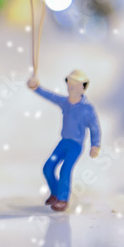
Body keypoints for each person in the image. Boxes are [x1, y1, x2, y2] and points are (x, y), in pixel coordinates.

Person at [27, 70, 101, 212]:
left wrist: (95, 145)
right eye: (69, 85)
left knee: (65, 170)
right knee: (48, 167)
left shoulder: (87, 108)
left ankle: (63, 199)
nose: (70, 88)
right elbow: (50, 96)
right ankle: (55, 193)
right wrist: (36, 87)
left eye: (74, 86)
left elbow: (95, 127)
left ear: (82, 87)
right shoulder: (65, 103)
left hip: (75, 145)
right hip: (64, 143)